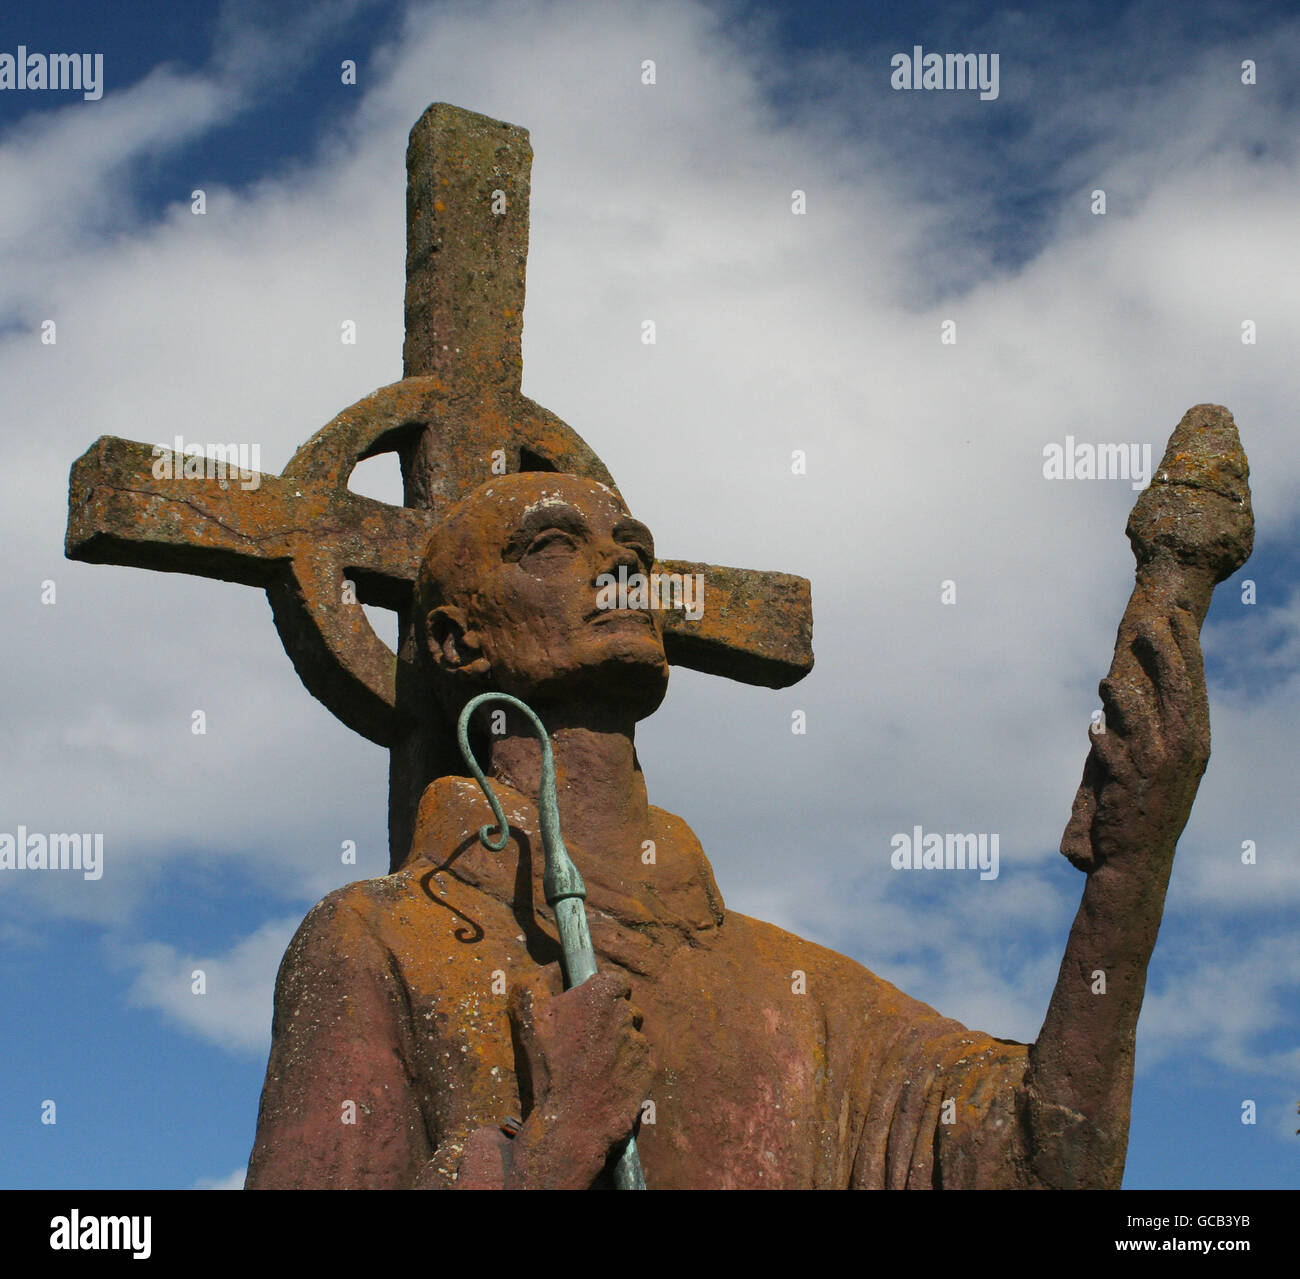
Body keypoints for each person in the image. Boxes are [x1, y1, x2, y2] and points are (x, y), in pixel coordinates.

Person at [246, 422, 1249, 1188]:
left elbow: (1041, 1159)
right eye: (553, 546)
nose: (620, 564)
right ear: (461, 642)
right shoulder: (377, 939)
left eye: (629, 543)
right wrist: (552, 1147)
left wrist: (1129, 873)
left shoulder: (796, 990)